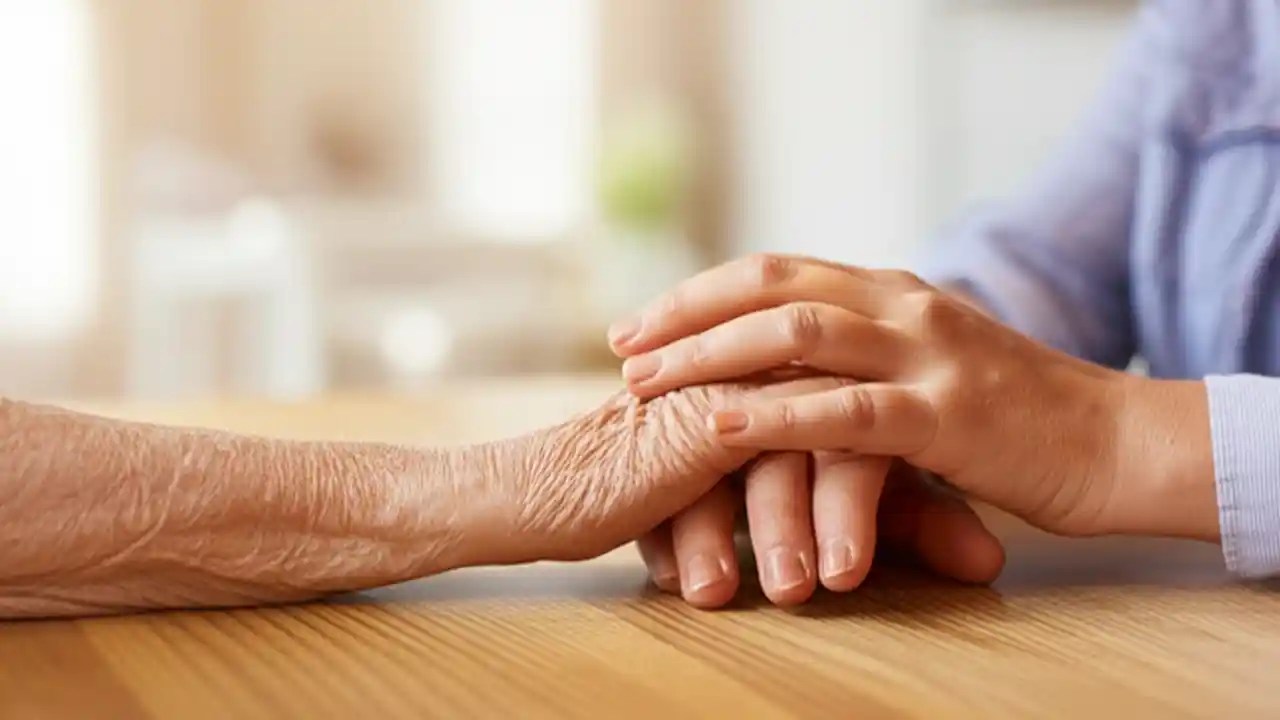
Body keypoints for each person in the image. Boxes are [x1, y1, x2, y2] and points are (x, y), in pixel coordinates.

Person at [612, 0, 1280, 608]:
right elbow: (1047, 264)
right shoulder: (1218, 22)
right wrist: (855, 385)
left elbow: (1082, 412)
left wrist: (1107, 436)